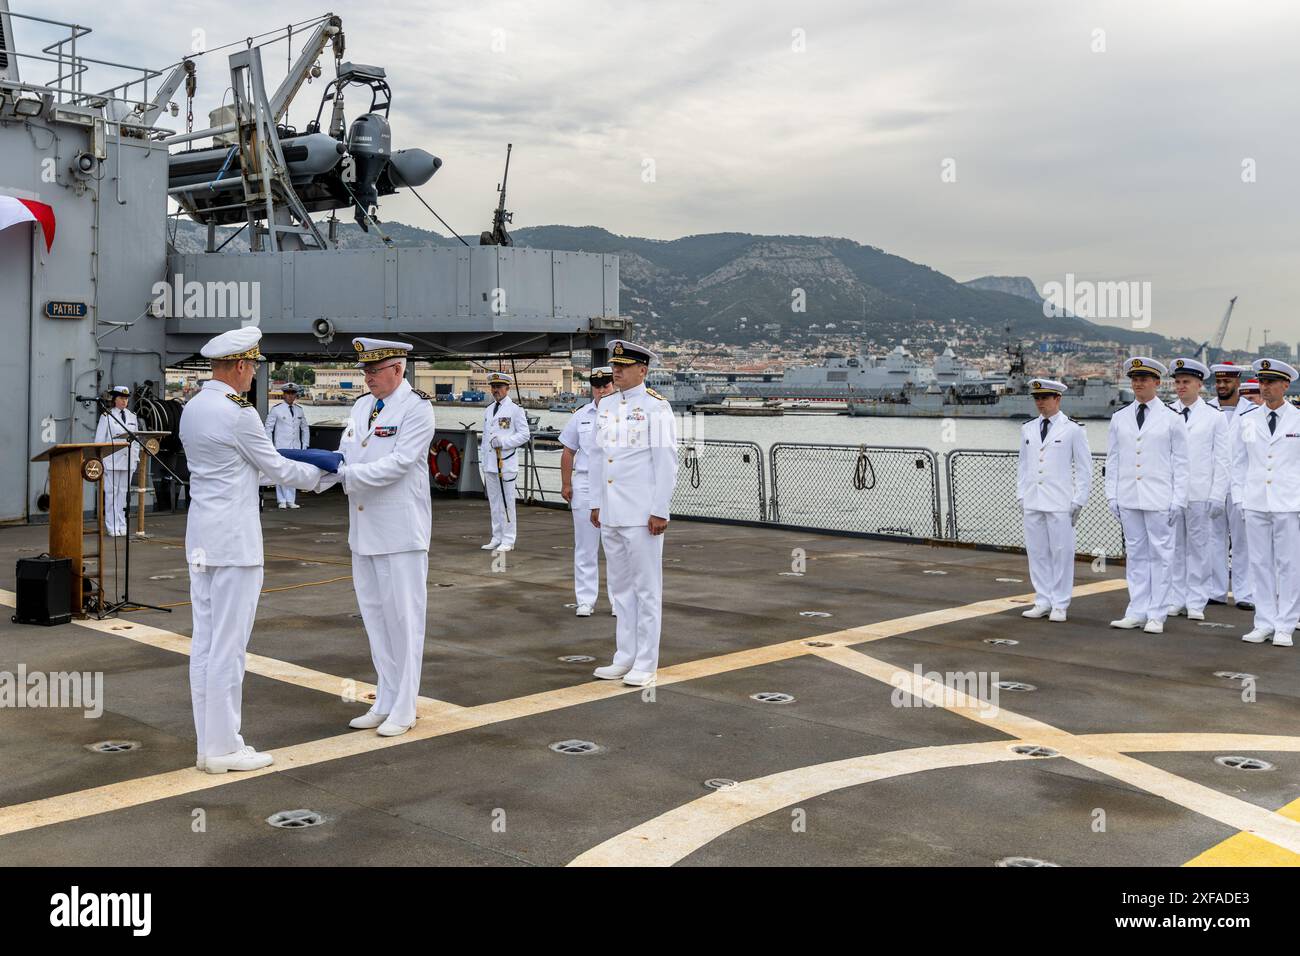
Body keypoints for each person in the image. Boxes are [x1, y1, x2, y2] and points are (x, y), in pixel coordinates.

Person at [179, 327, 333, 774]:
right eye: (252, 369)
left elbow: (239, 472)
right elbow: (276, 467)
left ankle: (209, 746)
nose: (252, 378)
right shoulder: (238, 413)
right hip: (236, 545)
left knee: (205, 645)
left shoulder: (194, 408)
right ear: (241, 366)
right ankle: (225, 748)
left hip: (202, 540)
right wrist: (327, 475)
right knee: (230, 647)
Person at [331, 338, 437, 736]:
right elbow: (348, 452)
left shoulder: (417, 408)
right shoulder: (362, 406)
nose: (368, 378)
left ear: (398, 369)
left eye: (374, 371)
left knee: (404, 622)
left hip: (400, 531)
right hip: (364, 530)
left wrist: (347, 475)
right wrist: (331, 470)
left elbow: (400, 463)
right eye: (365, 372)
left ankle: (405, 706)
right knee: (376, 620)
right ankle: (386, 698)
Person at [589, 340, 678, 687]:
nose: (617, 371)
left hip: (642, 514)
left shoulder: (657, 408)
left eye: (624, 366)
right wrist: (597, 502)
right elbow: (599, 456)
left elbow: (666, 462)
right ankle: (624, 656)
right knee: (620, 589)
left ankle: (646, 662)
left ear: (643, 370)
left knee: (646, 590)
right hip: (611, 512)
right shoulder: (607, 404)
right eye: (615, 366)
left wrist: (660, 510)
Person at [1105, 357, 1189, 634]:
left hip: (1159, 497)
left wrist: (1179, 499)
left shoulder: (1172, 419)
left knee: (1162, 556)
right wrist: (1111, 495)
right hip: (1129, 495)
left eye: (1144, 379)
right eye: (1135, 379)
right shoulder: (1120, 417)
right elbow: (1114, 459)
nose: (1138, 383)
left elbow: (1181, 463)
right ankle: (1137, 609)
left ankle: (1157, 613)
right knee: (1137, 555)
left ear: (1157, 382)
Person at [1233, 359, 1300, 648]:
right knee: (1258, 563)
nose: (1265, 387)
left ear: (1286, 385)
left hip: (1288, 502)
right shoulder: (1246, 419)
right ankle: (1263, 621)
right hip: (1255, 500)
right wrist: (1239, 499)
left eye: (1272, 382)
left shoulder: (1298, 419)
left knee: (1288, 564)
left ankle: (1285, 624)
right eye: (1262, 382)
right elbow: (1237, 463)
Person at [1016, 378, 1092, 623]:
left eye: (1045, 398)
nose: (1040, 402)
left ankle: (1060, 603)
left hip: (1060, 502)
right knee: (1037, 553)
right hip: (1033, 500)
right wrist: (1021, 495)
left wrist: (1079, 500)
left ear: (1057, 399)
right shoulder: (1027, 428)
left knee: (1061, 553)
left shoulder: (1073, 429)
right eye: (1037, 398)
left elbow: (1084, 468)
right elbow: (1023, 465)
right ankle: (1042, 599)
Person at [1165, 358, 1229, 621]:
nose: (1181, 387)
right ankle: (1175, 598)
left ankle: (1196, 600)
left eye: (1186, 382)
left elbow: (1222, 460)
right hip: (1171, 493)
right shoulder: (1166, 413)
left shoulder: (1214, 417)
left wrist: (1217, 495)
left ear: (1199, 385)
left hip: (1201, 492)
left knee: (1200, 548)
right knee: (1175, 549)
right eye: (1178, 382)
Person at [560, 366, 617, 617]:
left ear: (613, 386)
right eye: (597, 386)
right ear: (591, 388)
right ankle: (585, 599)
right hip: (584, 482)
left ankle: (619, 601)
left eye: (606, 385)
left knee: (616, 546)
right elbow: (568, 450)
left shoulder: (624, 414)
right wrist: (566, 484)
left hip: (614, 483)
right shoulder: (581, 415)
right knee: (585, 545)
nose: (602, 390)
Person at [1207, 362, 1247, 607]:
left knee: (1243, 542)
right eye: (1219, 381)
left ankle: (1245, 594)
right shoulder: (1206, 410)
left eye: (1227, 381)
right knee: (1214, 539)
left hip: (1241, 486)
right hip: (1213, 485)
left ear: (1238, 383)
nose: (1222, 386)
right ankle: (1215, 590)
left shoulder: (1252, 412)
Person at [479, 371, 530, 553]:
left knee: (507, 502)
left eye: (499, 387)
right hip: (490, 463)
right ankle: (497, 536)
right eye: (493, 387)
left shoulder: (515, 410)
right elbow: (486, 438)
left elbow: (525, 435)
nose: (496, 390)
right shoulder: (488, 410)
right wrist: (484, 461)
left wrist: (505, 443)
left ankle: (508, 538)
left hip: (505, 463)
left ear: (507, 388)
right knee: (494, 502)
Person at [93, 385, 140, 537]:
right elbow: (99, 441)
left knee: (123, 494)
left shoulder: (132, 416)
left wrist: (136, 458)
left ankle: (122, 524)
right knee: (111, 494)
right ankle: (111, 525)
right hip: (112, 461)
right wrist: (100, 460)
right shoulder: (107, 416)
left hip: (128, 461)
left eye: (126, 398)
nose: (124, 401)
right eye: (121, 398)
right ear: (114, 400)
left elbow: (137, 440)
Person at [264, 381, 311, 509]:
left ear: (296, 395)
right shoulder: (276, 410)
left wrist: (304, 445)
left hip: (296, 447)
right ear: (283, 395)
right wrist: (270, 446)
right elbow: (268, 428)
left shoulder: (299, 410)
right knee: (281, 473)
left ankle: (291, 500)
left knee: (293, 473)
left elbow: (305, 428)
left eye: (293, 393)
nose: (290, 396)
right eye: (288, 393)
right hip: (281, 447)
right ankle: (281, 500)